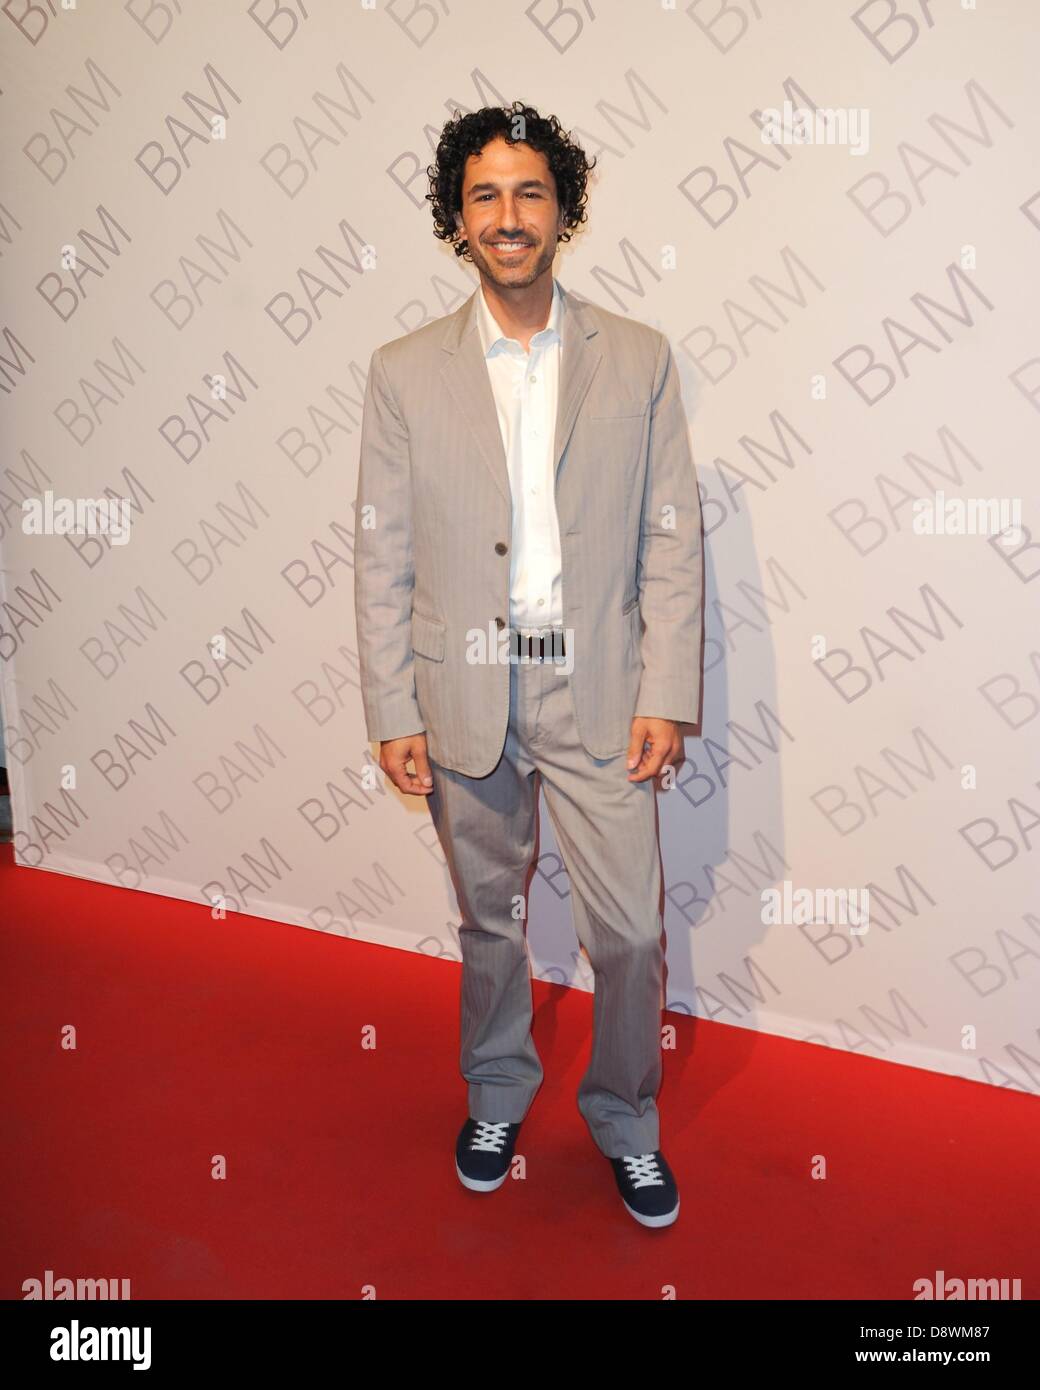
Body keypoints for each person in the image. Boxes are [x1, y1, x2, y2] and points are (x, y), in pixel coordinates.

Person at [353, 101, 703, 1228]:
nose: (508, 217)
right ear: (458, 220)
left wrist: (665, 690)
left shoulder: (638, 358)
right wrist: (390, 705)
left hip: (594, 686)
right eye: (485, 196)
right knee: (487, 919)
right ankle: (497, 1087)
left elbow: (668, 537)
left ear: (565, 210)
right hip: (461, 687)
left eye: (530, 193)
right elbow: (382, 551)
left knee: (633, 932)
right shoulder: (403, 371)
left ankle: (625, 1120)